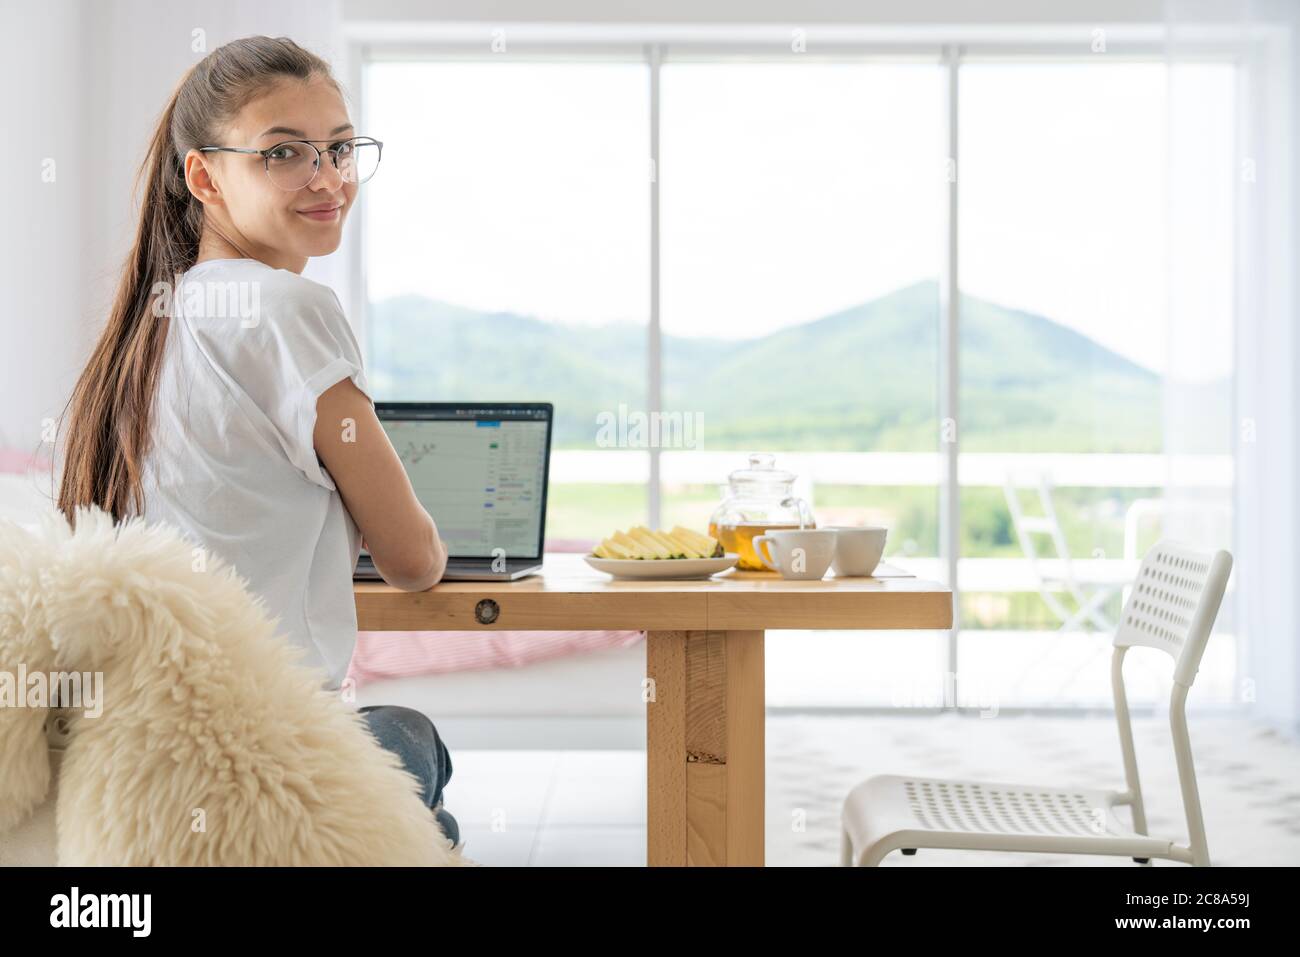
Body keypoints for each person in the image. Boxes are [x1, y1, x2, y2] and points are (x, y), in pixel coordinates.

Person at [55, 35, 459, 849]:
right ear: (204, 177)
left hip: (140, 758)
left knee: (408, 756)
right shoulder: (289, 311)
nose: (328, 178)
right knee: (414, 745)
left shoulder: (148, 326)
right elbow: (415, 559)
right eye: (284, 153)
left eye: (340, 148)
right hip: (255, 752)